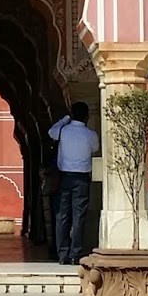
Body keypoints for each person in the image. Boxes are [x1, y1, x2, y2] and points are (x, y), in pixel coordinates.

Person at [48, 102, 99, 265]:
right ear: (87, 116)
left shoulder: (63, 130)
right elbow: (95, 148)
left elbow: (51, 132)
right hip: (82, 179)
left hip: (65, 177)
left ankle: (62, 254)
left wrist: (65, 119)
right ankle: (75, 254)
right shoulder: (90, 135)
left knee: (62, 216)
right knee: (79, 217)